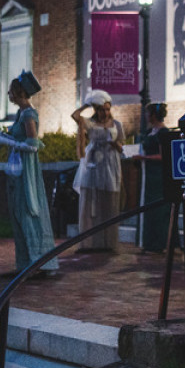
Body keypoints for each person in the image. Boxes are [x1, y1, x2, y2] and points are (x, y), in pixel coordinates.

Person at [0, 73, 61, 279]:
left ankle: (37, 262)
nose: (8, 94)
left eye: (11, 91)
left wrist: (10, 142)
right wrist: (0, 136)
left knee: (28, 210)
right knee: (18, 213)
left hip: (27, 170)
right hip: (18, 168)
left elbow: (33, 144)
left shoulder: (29, 114)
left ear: (18, 92)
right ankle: (24, 263)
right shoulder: (21, 114)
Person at [70, 89, 124, 253]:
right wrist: (87, 103)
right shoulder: (90, 123)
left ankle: (107, 242)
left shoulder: (117, 125)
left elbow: (122, 147)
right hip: (93, 162)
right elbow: (75, 116)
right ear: (96, 109)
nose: (105, 112)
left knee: (108, 201)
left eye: (107, 109)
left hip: (110, 162)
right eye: (101, 109)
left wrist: (113, 142)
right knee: (90, 200)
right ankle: (89, 242)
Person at [132, 102, 170, 252]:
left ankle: (158, 243)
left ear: (154, 115)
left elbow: (164, 156)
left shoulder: (163, 133)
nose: (146, 117)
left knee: (158, 211)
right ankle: (147, 242)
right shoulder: (149, 132)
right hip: (147, 175)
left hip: (157, 176)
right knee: (147, 210)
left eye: (148, 114)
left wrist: (144, 158)